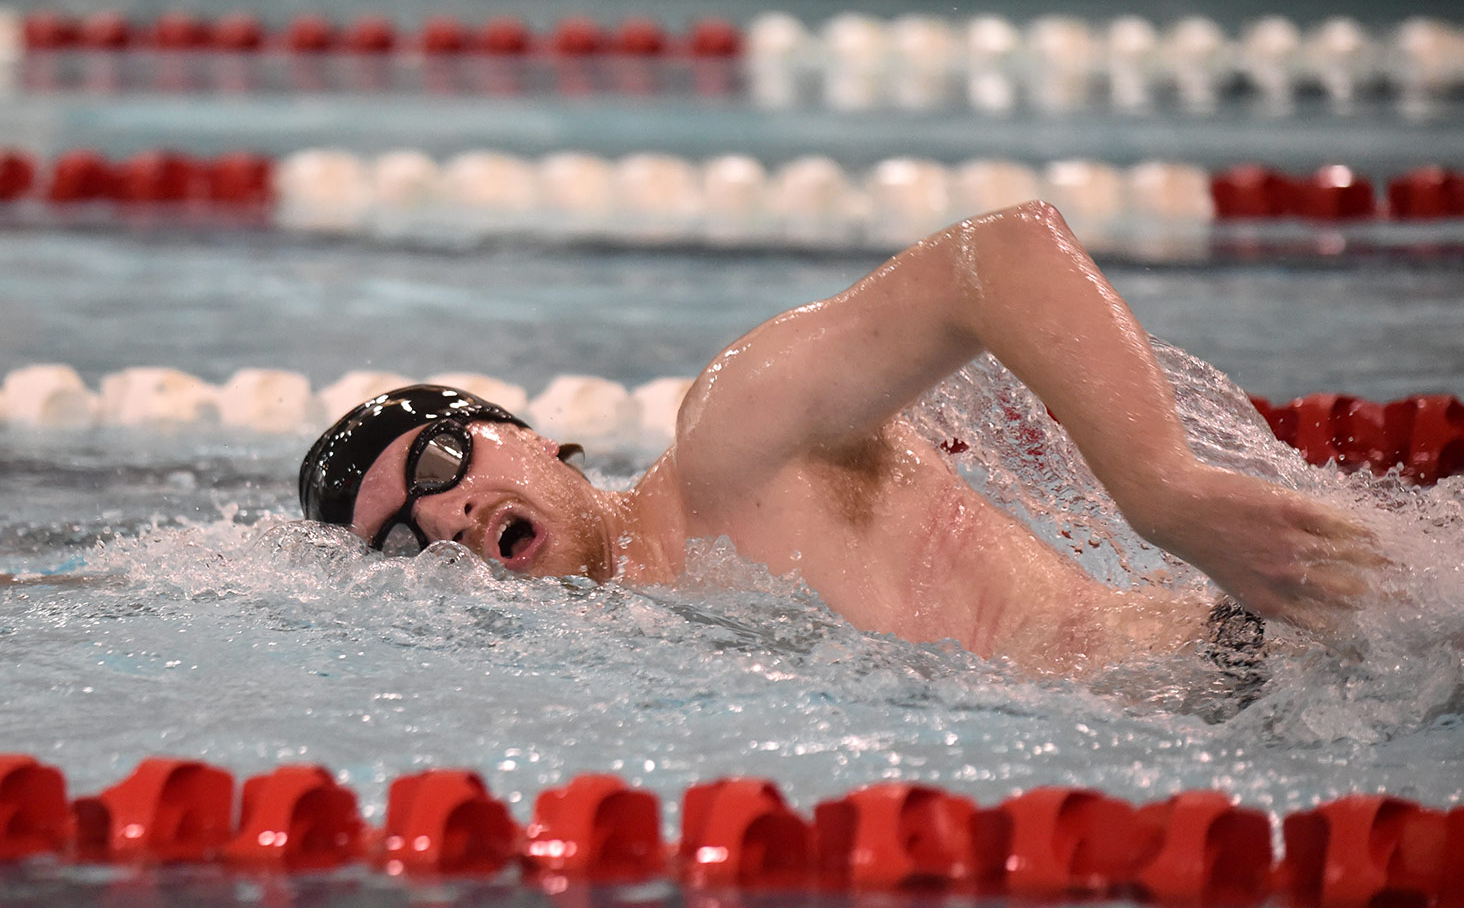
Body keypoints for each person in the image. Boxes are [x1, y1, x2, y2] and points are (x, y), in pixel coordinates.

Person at [299, 202, 1384, 686]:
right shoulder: (634, 637)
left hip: (1285, 658)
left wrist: (1163, 494)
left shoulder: (730, 444)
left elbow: (996, 256)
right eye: (403, 538)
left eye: (440, 464)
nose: (440, 516)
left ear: (526, 438)